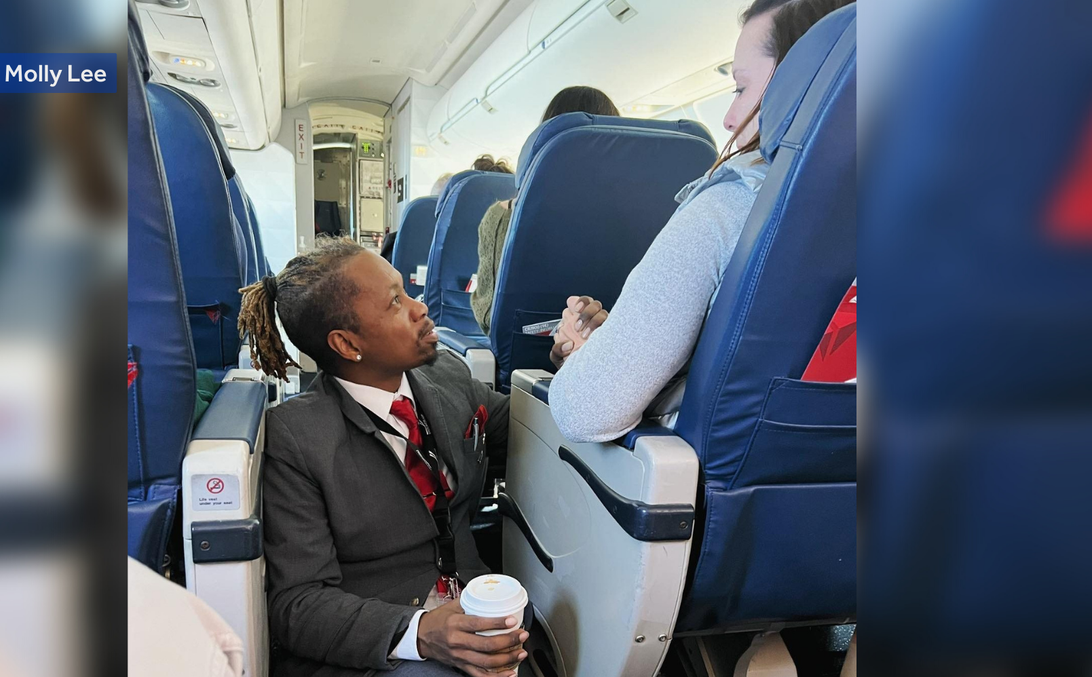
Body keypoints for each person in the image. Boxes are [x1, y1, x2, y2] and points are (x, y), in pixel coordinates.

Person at [547, 0, 855, 442]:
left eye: (740, 89)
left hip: (709, 498)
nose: (730, 120)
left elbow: (589, 409)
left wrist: (584, 360)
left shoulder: (731, 208)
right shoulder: (945, 223)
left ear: (801, 85)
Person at [237, 238, 532, 677]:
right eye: (396, 303)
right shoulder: (297, 437)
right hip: (382, 645)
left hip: (477, 603)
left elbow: (527, 431)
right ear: (347, 343)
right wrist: (420, 633)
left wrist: (577, 363)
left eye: (406, 291)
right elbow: (298, 603)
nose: (420, 308)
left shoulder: (445, 374)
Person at [470, 86, 620, 335]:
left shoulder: (503, 217)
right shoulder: (646, 215)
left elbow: (488, 317)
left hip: (526, 358)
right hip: (621, 352)